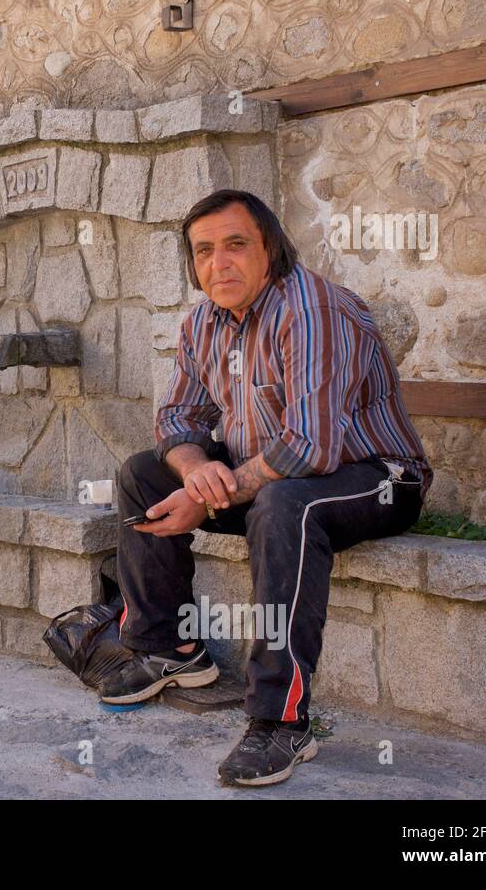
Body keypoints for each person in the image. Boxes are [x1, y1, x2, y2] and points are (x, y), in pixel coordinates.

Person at [101, 189, 431, 787]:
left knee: (284, 503)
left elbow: (311, 446)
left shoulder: (312, 310)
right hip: (270, 472)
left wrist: (205, 497)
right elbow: (176, 418)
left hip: (377, 476)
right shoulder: (202, 321)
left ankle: (281, 721)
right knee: (143, 472)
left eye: (236, 244)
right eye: (204, 251)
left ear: (270, 248)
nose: (218, 263)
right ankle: (169, 650)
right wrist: (194, 470)